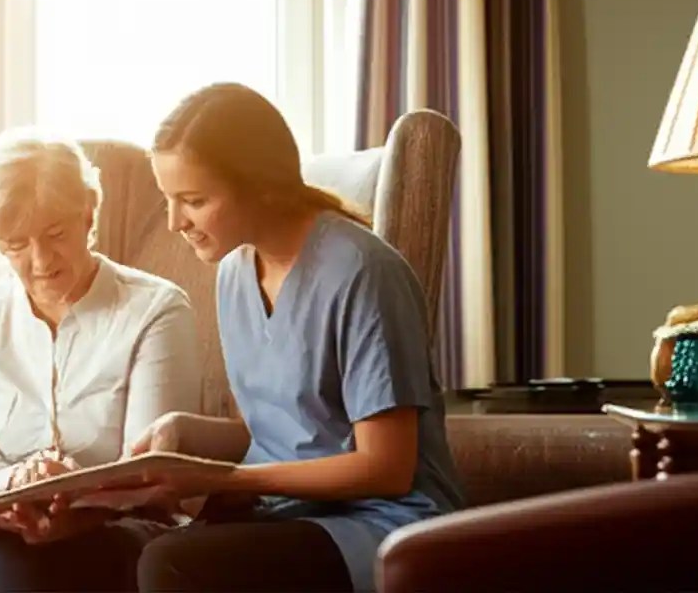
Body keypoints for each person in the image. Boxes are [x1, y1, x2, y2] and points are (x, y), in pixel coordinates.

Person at [129, 82, 465, 593]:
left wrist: (224, 480)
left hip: (379, 521)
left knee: (173, 563)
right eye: (169, 201)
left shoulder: (363, 272)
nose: (176, 222)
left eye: (193, 200)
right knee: (116, 548)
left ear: (260, 186)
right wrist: (179, 436)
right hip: (286, 510)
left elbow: (387, 469)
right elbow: (274, 432)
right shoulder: (234, 272)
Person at [0, 127, 201, 593]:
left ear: (88, 214)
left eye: (56, 234)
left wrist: (69, 494)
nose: (40, 262)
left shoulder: (155, 309)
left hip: (124, 522)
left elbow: (150, 471)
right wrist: (17, 483)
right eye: (16, 245)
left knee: (22, 561)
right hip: (11, 515)